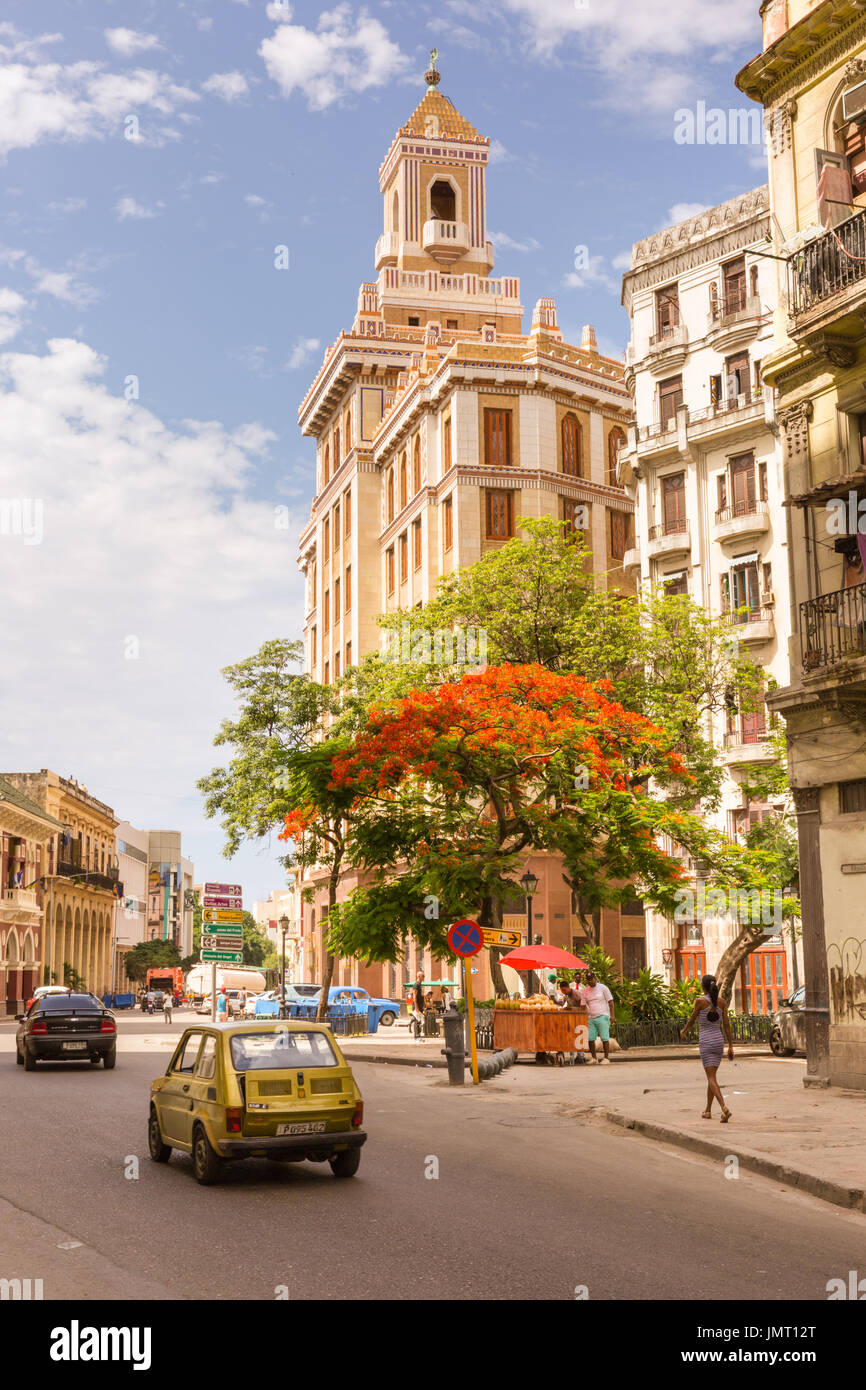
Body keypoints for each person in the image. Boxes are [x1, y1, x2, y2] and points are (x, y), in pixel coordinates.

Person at [680, 974, 734, 1122]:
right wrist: (730, 1045)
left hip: (706, 1042)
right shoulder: (722, 1003)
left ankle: (724, 1107)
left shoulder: (700, 1001)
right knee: (712, 1078)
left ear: (703, 987)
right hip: (718, 1041)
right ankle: (708, 1111)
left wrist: (684, 1030)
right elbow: (727, 1026)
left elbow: (692, 1019)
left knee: (711, 1078)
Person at [578, 970, 614, 1064]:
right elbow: (582, 1005)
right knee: (590, 1038)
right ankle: (594, 1058)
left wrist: (612, 1016)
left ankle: (606, 1058)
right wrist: (583, 1014)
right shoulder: (585, 991)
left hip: (603, 1015)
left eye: (592, 979)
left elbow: (610, 1002)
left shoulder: (603, 988)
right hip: (591, 1017)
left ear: (595, 979)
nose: (590, 981)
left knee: (604, 1038)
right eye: (588, 980)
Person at [411, 971, 425, 1040]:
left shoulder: (420, 985)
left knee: (419, 1021)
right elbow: (414, 997)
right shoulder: (416, 985)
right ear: (419, 976)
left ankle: (418, 1035)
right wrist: (416, 1007)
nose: (424, 977)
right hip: (417, 1006)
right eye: (423, 976)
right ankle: (416, 1036)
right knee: (417, 1021)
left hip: (420, 1006)